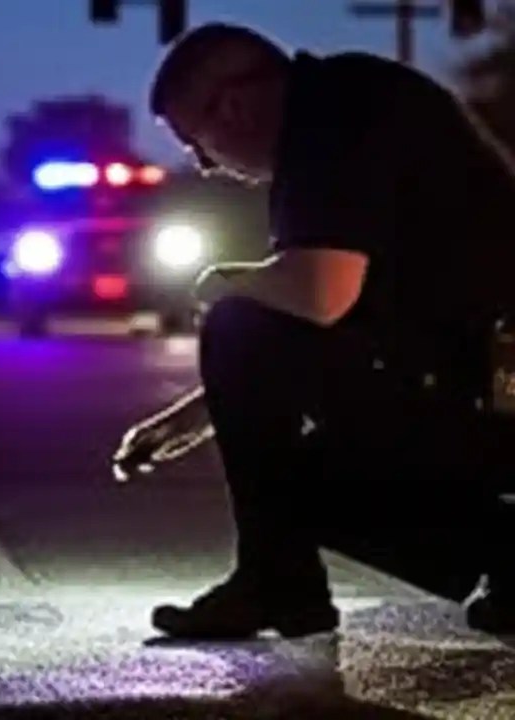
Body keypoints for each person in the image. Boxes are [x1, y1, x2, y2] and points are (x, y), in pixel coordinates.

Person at [145, 22, 515, 640]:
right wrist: (196, 415)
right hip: (482, 384)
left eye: (197, 145)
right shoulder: (343, 105)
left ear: (232, 106)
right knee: (286, 476)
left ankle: (276, 585)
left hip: (496, 391)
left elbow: (319, 293)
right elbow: (342, 319)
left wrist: (217, 282)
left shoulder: (334, 118)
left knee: (242, 327)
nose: (206, 167)